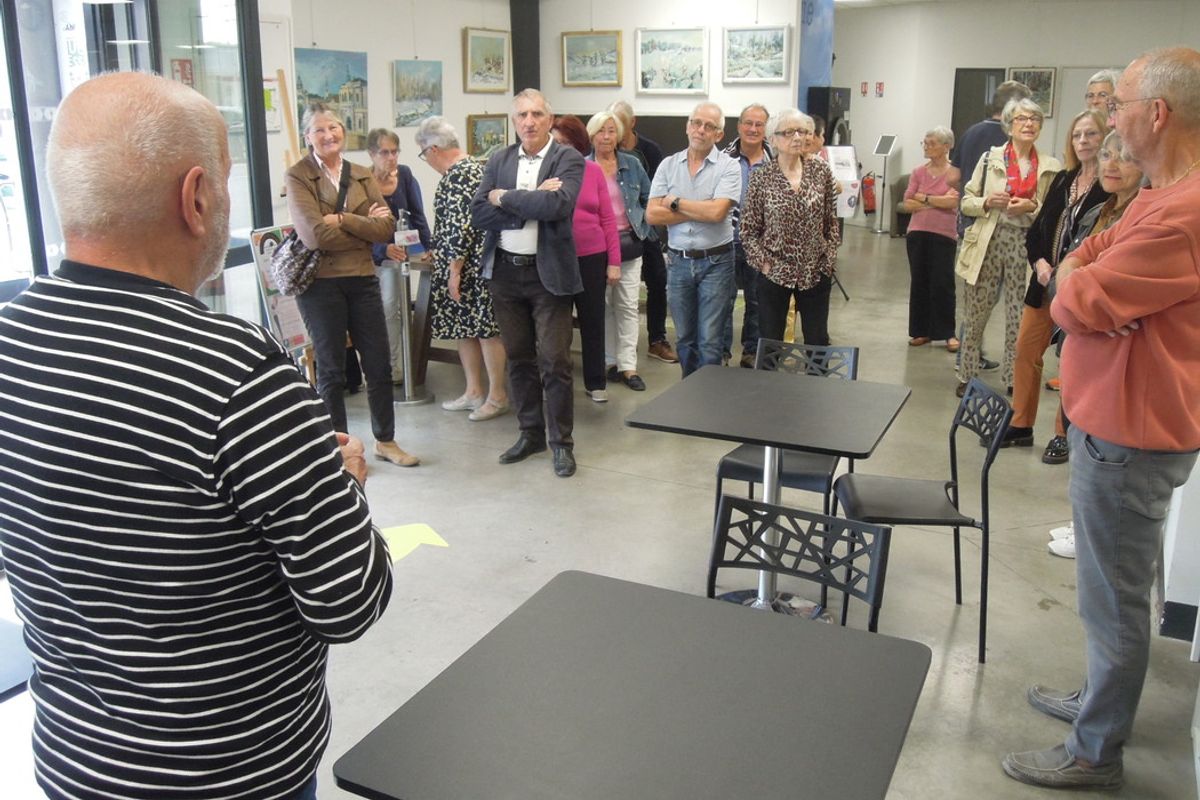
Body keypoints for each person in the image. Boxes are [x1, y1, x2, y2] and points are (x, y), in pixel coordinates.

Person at [0, 71, 392, 800]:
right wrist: (337, 484)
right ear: (196, 197)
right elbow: (350, 598)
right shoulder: (236, 372)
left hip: (75, 761)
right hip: (230, 773)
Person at [1002, 47, 1200, 791]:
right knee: (1105, 587)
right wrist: (1087, 284)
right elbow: (1082, 256)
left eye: (1118, 106)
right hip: (1109, 420)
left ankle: (1096, 750)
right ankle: (1099, 702)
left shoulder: (1182, 213)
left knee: (1114, 599)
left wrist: (1083, 291)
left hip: (1131, 433)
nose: (1107, 121)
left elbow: (1070, 295)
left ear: (1157, 114)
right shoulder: (1159, 192)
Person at [286, 103, 419, 466]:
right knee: (330, 369)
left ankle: (386, 441)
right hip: (320, 285)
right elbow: (313, 236)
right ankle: (338, 450)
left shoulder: (362, 175)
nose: (329, 135)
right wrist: (361, 224)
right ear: (307, 137)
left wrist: (342, 218)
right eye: (319, 130)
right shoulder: (298, 176)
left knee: (376, 364)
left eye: (334, 127)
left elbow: (385, 228)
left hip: (362, 279)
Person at [471, 88, 585, 478]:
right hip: (504, 273)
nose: (529, 122)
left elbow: (559, 206)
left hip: (548, 276)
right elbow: (478, 213)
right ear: (514, 120)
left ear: (549, 120)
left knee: (555, 361)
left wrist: (504, 197)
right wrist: (528, 201)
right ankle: (530, 433)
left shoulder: (567, 158)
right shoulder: (500, 158)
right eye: (522, 115)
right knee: (518, 359)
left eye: (537, 114)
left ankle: (561, 444)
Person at [1044, 130, 1145, 560]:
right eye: (1107, 154)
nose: (1111, 163)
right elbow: (1072, 266)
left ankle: (1085, 527)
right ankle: (1080, 521)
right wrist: (1077, 284)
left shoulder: (1141, 215)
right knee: (1082, 442)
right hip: (1083, 341)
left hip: (1111, 366)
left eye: (1123, 156)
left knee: (1098, 456)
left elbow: (1096, 289)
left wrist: (1080, 286)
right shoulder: (1103, 210)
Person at [1002, 110, 1109, 457]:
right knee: (1025, 351)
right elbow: (1037, 232)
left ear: (1104, 138)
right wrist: (1041, 263)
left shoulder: (1111, 187)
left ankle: (1064, 432)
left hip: (1078, 289)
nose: (1083, 142)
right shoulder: (1063, 180)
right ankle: (1020, 423)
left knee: (1070, 363)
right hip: (1044, 283)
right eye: (1077, 135)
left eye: (1091, 135)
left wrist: (1067, 271)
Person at [955, 98, 1061, 398]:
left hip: (1025, 243)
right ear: (1010, 125)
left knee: (1019, 315)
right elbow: (967, 201)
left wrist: (1032, 205)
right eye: (1022, 119)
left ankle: (1014, 377)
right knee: (976, 312)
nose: (1029, 124)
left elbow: (1054, 213)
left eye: (1035, 119)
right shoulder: (990, 159)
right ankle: (967, 374)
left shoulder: (1050, 166)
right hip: (989, 241)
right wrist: (988, 201)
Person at [415, 116, 509, 422]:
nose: (426, 161)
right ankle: (473, 391)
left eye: (423, 153)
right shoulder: (477, 167)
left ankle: (496, 395)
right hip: (471, 263)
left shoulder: (458, 175)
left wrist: (454, 270)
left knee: (484, 331)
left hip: (471, 268)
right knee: (464, 329)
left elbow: (461, 227)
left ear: (434, 149)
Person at [646, 101, 742, 377]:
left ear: (719, 135)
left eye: (709, 126)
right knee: (685, 339)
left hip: (717, 263)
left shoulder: (729, 167)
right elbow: (652, 214)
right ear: (687, 126)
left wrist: (674, 202)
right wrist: (699, 207)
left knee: (710, 342)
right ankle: (690, 395)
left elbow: (717, 213)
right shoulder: (668, 165)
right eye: (696, 123)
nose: (701, 129)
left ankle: (709, 404)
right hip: (678, 263)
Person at [740, 109, 840, 346]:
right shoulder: (761, 177)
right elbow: (748, 230)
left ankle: (816, 383)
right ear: (773, 139)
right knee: (770, 342)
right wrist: (764, 264)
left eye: (803, 132)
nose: (798, 137)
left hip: (814, 271)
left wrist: (828, 260)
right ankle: (770, 384)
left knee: (817, 340)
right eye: (789, 132)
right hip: (774, 273)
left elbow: (831, 222)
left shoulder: (821, 171)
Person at [552, 114, 620, 403]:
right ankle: (556, 382)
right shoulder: (545, 172)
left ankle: (595, 382)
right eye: (555, 143)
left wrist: (614, 262)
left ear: (578, 144)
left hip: (592, 256)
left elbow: (608, 219)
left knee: (593, 320)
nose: (559, 148)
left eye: (565, 143)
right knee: (555, 325)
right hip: (555, 256)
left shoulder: (592, 172)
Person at [609, 99, 677, 364]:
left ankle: (657, 339)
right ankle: (614, 349)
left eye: (619, 124)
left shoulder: (649, 150)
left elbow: (658, 191)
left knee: (657, 282)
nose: (613, 131)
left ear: (632, 122)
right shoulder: (604, 150)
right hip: (614, 234)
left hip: (644, 230)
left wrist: (650, 224)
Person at [589, 109, 652, 392]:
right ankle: (609, 361)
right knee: (600, 307)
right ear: (591, 135)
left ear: (619, 136)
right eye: (601, 131)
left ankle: (628, 366)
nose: (606, 136)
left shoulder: (632, 164)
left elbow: (649, 198)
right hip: (594, 248)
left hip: (628, 245)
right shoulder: (581, 167)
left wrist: (644, 226)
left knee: (627, 305)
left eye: (611, 131)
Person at [366, 128, 432, 378]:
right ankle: (385, 364)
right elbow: (358, 225)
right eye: (385, 152)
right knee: (380, 308)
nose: (391, 157)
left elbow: (417, 214)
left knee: (393, 305)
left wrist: (428, 246)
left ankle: (397, 365)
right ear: (372, 154)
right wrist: (382, 249)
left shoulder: (404, 175)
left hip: (399, 253)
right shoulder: (362, 180)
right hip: (372, 253)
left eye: (395, 152)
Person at [900, 126, 961, 351]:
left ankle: (947, 333)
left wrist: (924, 198)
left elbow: (952, 202)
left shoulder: (955, 172)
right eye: (924, 142)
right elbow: (907, 202)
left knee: (943, 284)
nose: (927, 146)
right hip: (917, 234)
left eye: (932, 143)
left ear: (947, 146)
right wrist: (936, 200)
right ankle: (920, 330)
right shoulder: (918, 172)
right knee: (920, 281)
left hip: (944, 234)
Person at [721, 103, 772, 368]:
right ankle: (722, 351)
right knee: (724, 298)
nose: (753, 129)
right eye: (748, 123)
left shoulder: (776, 162)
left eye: (759, 124)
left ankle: (751, 350)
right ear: (739, 126)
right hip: (726, 239)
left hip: (762, 244)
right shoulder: (722, 158)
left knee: (757, 299)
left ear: (766, 129)